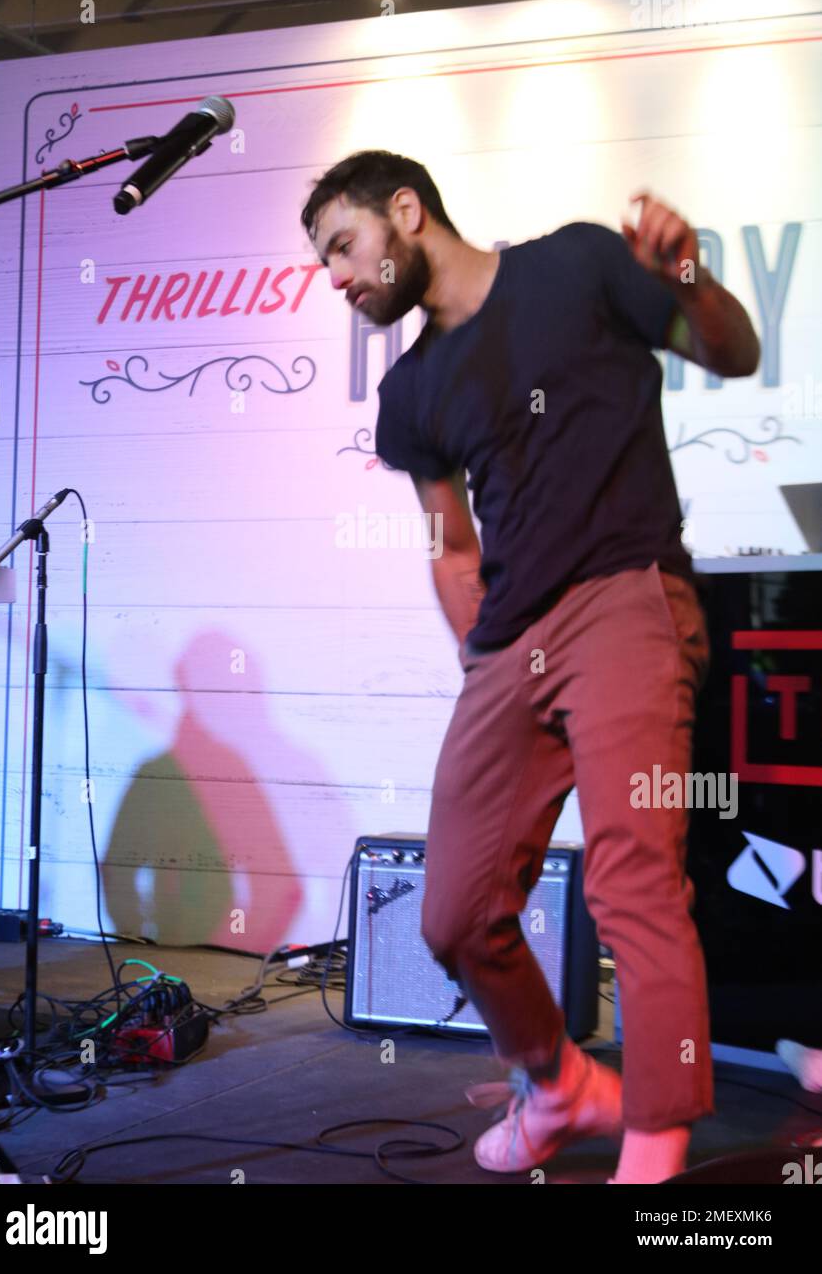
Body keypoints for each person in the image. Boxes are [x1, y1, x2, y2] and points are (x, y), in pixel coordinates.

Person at [301, 150, 760, 1183]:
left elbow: (727, 350)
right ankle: (554, 1082)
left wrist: (684, 275)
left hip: (624, 599)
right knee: (452, 910)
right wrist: (480, 658)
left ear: (405, 211)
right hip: (510, 643)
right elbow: (449, 543)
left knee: (632, 878)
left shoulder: (576, 264)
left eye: (342, 245)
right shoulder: (411, 386)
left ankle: (653, 1140)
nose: (334, 275)